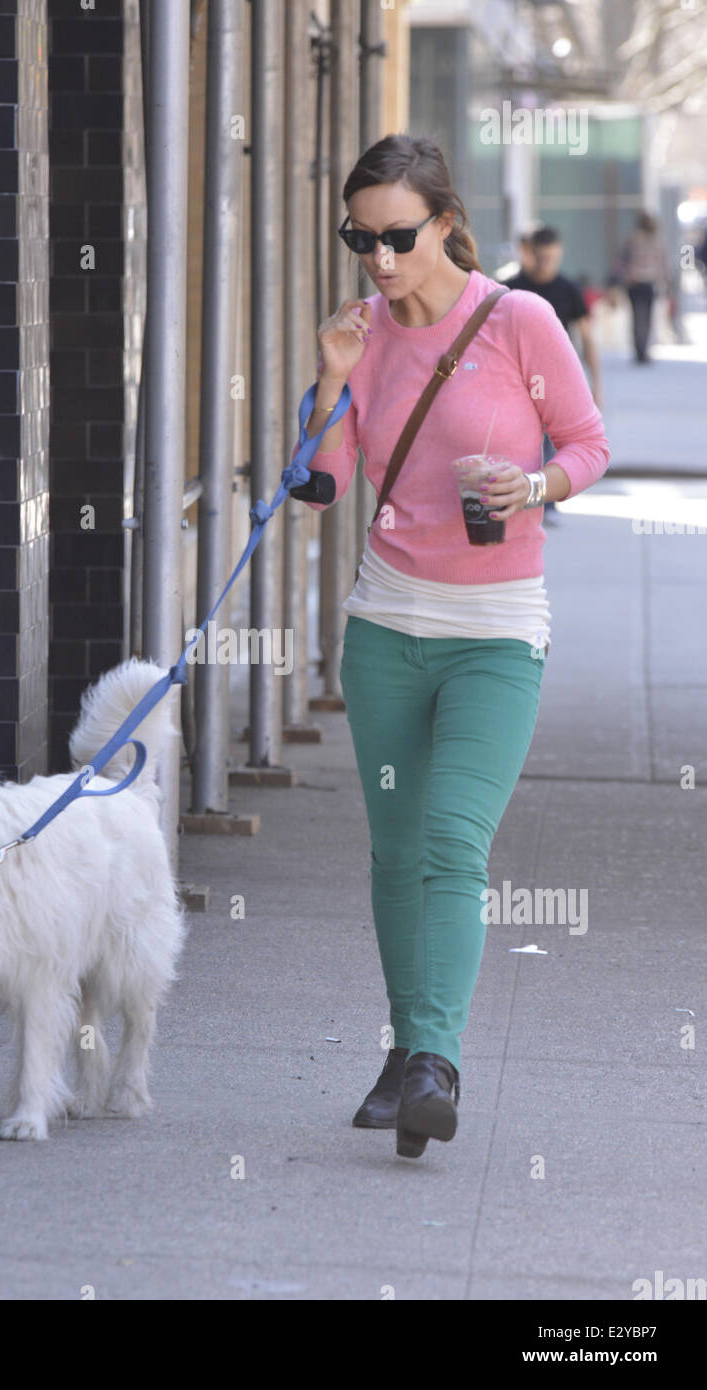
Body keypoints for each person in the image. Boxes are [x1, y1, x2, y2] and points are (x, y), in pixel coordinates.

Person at [289, 133, 610, 1159]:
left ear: (444, 224)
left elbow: (587, 443)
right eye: (359, 237)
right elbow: (321, 483)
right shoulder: (362, 334)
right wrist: (330, 378)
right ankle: (404, 1054)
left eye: (397, 236)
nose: (378, 258)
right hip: (385, 631)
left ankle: (434, 1057)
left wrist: (537, 486)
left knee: (449, 846)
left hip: (495, 635)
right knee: (392, 854)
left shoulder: (517, 320)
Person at [503, 226, 603, 516]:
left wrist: (596, 384)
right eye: (542, 258)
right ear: (529, 253)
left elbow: (587, 339)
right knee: (523, 439)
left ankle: (544, 501)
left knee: (552, 440)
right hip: (516, 377)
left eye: (553, 258)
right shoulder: (509, 287)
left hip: (555, 380)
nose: (547, 264)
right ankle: (527, 497)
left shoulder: (569, 290)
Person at [617, 211, 673, 364]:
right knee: (646, 317)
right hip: (647, 282)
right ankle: (642, 350)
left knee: (638, 317)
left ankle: (640, 350)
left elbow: (622, 261)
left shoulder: (633, 239)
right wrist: (666, 283)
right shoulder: (655, 241)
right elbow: (663, 263)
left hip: (636, 281)